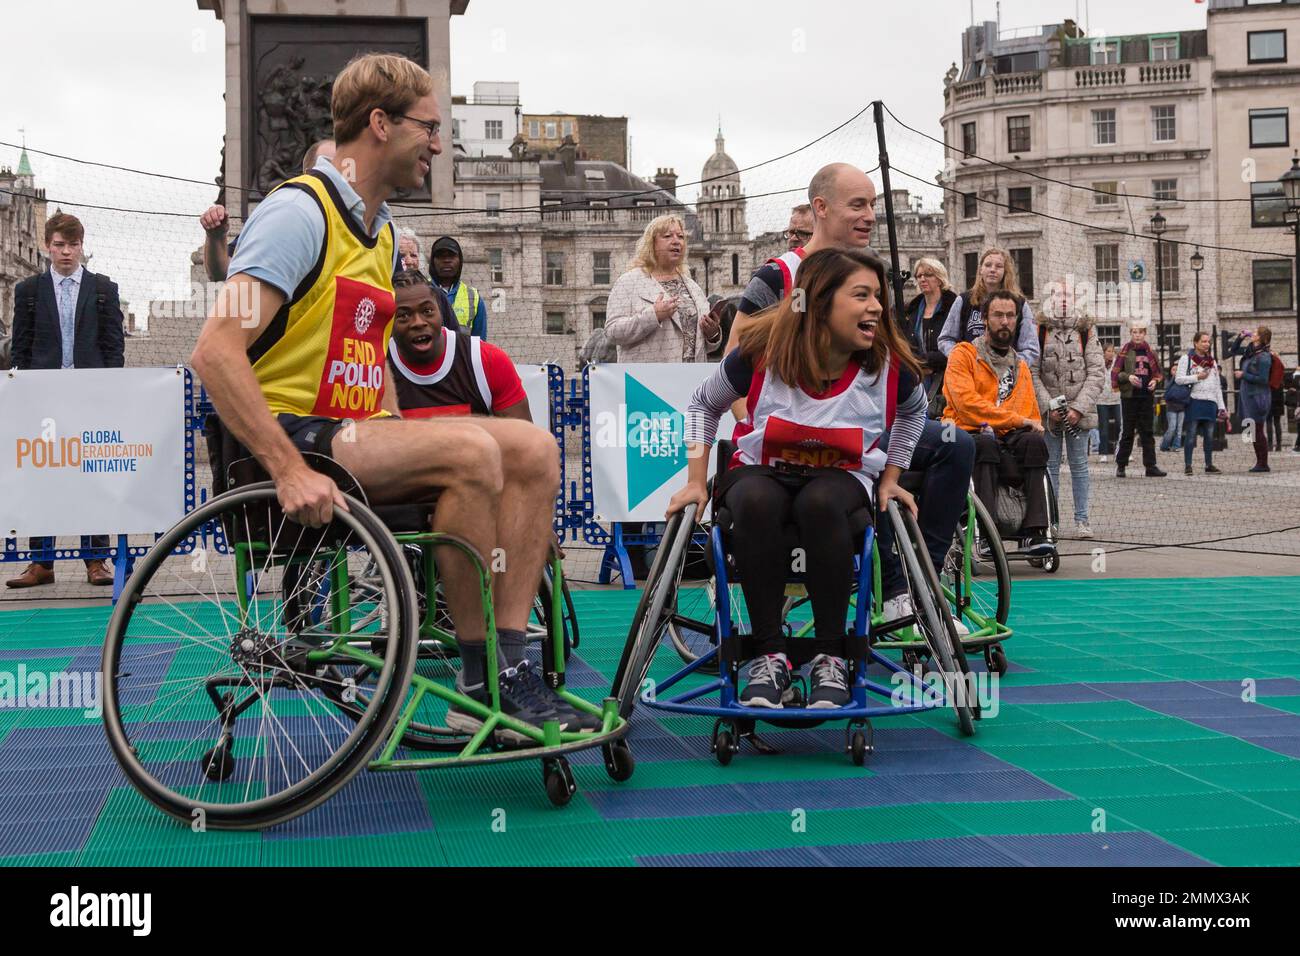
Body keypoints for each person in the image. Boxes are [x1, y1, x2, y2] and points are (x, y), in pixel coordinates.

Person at [188, 52, 592, 738]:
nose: (440, 144)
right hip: (298, 436)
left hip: (356, 433)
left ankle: (514, 661)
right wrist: (287, 469)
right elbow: (214, 351)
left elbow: (364, 361)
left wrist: (405, 432)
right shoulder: (298, 215)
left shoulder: (379, 234)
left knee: (533, 449)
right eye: (430, 128)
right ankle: (476, 677)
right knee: (469, 451)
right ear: (380, 124)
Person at [669, 249, 925, 708]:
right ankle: (770, 653)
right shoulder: (762, 349)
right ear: (821, 302)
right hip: (762, 473)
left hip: (840, 481)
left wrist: (891, 476)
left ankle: (831, 653)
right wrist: (695, 479)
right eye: (862, 296)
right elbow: (700, 406)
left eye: (879, 298)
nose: (876, 309)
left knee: (821, 502)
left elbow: (914, 412)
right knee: (754, 502)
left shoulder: (887, 365)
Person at [728, 163, 972, 634]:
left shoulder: (869, 273)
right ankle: (894, 589)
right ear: (821, 209)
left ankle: (920, 586)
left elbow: (891, 364)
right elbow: (737, 358)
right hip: (801, 435)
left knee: (956, 444)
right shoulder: (782, 276)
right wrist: (763, 427)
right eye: (857, 206)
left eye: (873, 206)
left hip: (868, 423)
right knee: (854, 463)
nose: (869, 216)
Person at [7, 213, 123, 589]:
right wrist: (26, 392)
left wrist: (108, 390)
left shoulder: (103, 288)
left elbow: (112, 346)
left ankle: (96, 560)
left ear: (81, 246)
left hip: (90, 398)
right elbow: (20, 348)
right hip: (44, 399)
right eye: (59, 245)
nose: (66, 252)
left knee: (91, 476)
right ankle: (41, 563)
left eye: (73, 245)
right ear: (47, 246)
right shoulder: (28, 291)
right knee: (44, 477)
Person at [942, 289, 1051, 550]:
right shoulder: (963, 354)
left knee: (1034, 443)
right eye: (998, 315)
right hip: (967, 429)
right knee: (985, 444)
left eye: (1010, 316)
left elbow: (1030, 415)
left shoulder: (1020, 365)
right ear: (985, 319)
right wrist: (1014, 420)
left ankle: (1035, 532)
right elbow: (966, 405)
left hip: (1007, 434)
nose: (1005, 321)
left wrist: (1022, 424)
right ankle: (987, 531)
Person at [387, 269, 530, 420]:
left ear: (440, 312)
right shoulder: (375, 366)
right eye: (403, 315)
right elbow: (359, 436)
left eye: (427, 311)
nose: (418, 322)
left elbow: (524, 440)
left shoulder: (487, 361)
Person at [199, 139, 336, 283]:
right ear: (308, 175)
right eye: (328, 165)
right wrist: (216, 236)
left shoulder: (357, 221)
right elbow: (222, 271)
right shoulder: (281, 219)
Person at [1032, 281, 1104, 538]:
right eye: (1057, 295)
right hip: (1049, 414)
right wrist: (1047, 405)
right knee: (1049, 466)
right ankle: (1052, 520)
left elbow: (1097, 373)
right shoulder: (1039, 330)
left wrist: (1078, 408)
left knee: (1079, 466)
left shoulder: (1086, 330)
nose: (1062, 299)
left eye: (1067, 295)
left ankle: (1082, 520)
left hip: (1078, 412)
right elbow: (1031, 372)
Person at [604, 213, 718, 362]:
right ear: (652, 244)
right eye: (668, 236)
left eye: (680, 236)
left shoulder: (693, 287)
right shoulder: (629, 281)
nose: (676, 241)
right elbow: (612, 332)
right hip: (646, 381)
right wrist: (653, 316)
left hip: (692, 378)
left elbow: (700, 345)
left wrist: (713, 334)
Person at [937, 247, 1040, 368]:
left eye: (998, 266)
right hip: (970, 373)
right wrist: (962, 359)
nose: (992, 270)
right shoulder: (964, 300)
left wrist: (1011, 367)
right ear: (980, 269)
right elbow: (945, 339)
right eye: (988, 265)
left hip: (1006, 377)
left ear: (1005, 271)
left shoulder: (1020, 304)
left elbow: (1031, 348)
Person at [1111, 319, 1166, 478]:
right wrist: (1128, 377)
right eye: (1134, 332)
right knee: (1128, 432)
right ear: (1131, 334)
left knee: (1147, 432)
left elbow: (1158, 374)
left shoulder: (1150, 352)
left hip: (1146, 396)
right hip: (1129, 397)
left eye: (1140, 332)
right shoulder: (1124, 352)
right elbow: (1116, 374)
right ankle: (1121, 465)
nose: (1137, 335)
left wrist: (1154, 382)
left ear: (1144, 334)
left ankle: (1151, 466)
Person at [902, 257, 958, 406]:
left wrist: (927, 361)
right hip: (918, 377)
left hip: (948, 376)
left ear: (939, 279)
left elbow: (959, 346)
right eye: (919, 276)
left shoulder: (954, 306)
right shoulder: (911, 310)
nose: (922, 279)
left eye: (928, 275)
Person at [1174, 331, 1225, 476]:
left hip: (1211, 402)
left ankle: (1209, 464)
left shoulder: (1213, 361)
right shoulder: (1187, 358)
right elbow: (1178, 379)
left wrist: (1221, 406)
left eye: (1208, 341)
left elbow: (1217, 385)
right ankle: (1188, 465)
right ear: (1195, 343)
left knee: (1209, 435)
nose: (1206, 344)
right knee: (1191, 435)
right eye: (1203, 341)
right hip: (1194, 401)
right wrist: (1197, 377)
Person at [429, 236, 487, 339]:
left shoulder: (473, 297)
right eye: (441, 256)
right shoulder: (421, 291)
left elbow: (479, 343)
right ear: (433, 261)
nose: (446, 260)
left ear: (460, 260)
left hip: (461, 355)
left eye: (451, 256)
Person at [1237, 325, 1275, 473]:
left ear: (1261, 337)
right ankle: (1259, 461)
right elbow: (1233, 351)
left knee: (1258, 429)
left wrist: (1243, 375)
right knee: (1252, 430)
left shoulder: (1264, 357)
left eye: (1255, 333)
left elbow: (1263, 379)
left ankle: (1263, 463)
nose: (1252, 334)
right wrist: (1241, 337)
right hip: (1248, 396)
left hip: (1258, 397)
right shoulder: (1252, 353)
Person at [1095, 344, 1121, 462]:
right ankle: (1104, 453)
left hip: (1116, 399)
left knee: (1120, 425)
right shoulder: (1098, 363)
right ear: (1104, 352)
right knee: (1104, 427)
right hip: (1102, 400)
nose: (1111, 353)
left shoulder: (1118, 364)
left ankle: (1121, 450)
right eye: (1109, 351)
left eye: (1112, 351)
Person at [1159, 358, 1186, 453]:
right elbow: (1167, 389)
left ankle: (1176, 446)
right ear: (1170, 371)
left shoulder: (1183, 380)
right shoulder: (1168, 380)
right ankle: (1164, 445)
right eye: (1173, 369)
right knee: (1172, 427)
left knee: (1179, 428)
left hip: (1181, 406)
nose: (1175, 371)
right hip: (1171, 407)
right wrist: (1174, 378)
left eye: (1177, 369)